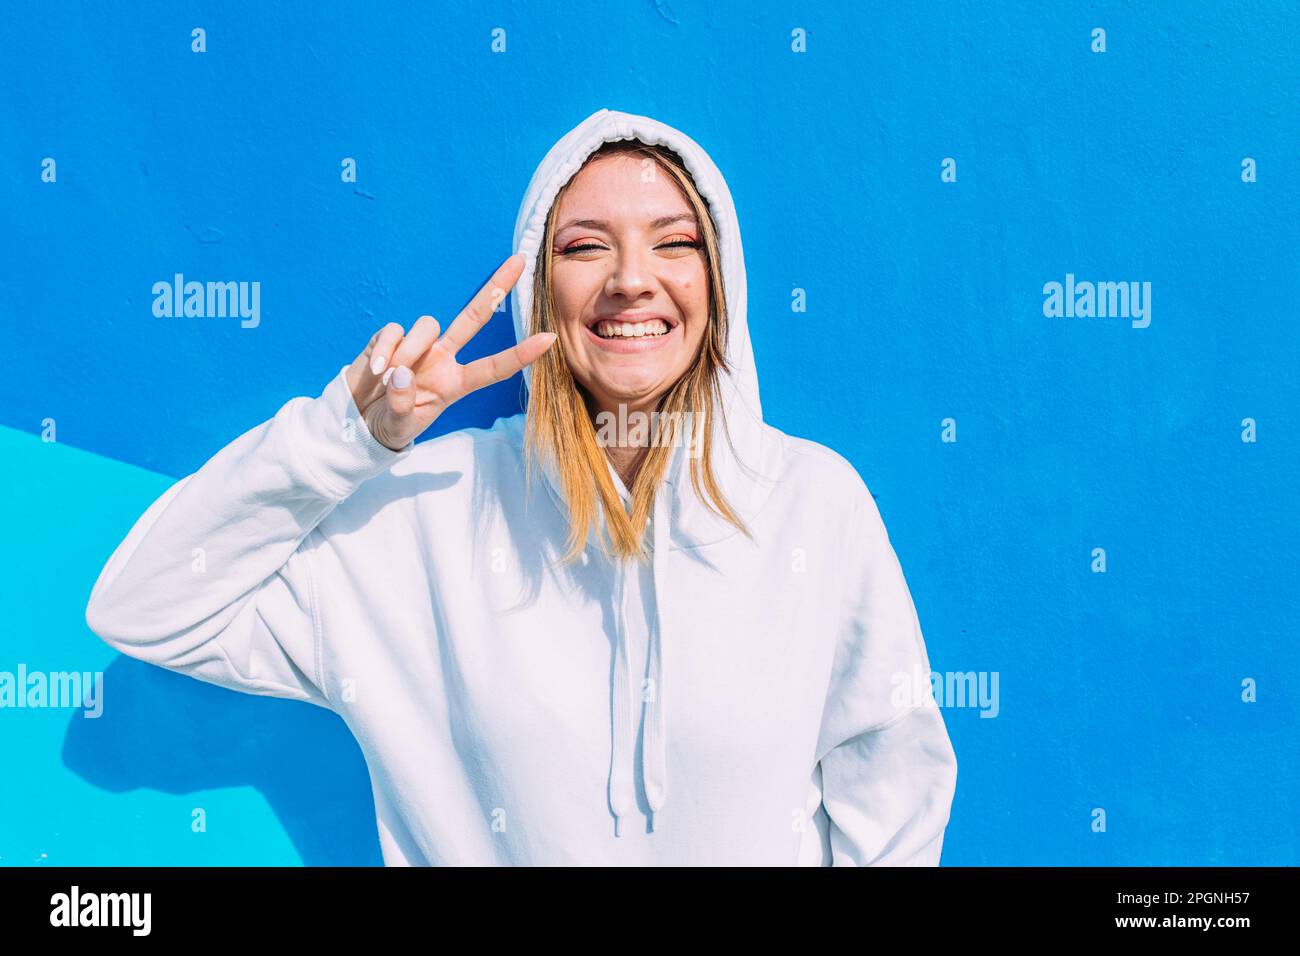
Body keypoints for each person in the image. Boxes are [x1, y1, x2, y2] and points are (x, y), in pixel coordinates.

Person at [85, 107, 958, 866]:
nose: (630, 278)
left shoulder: (814, 503)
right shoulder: (418, 514)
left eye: (674, 242)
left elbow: (894, 791)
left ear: (718, 280)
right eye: (585, 247)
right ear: (540, 289)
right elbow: (142, 606)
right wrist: (343, 443)